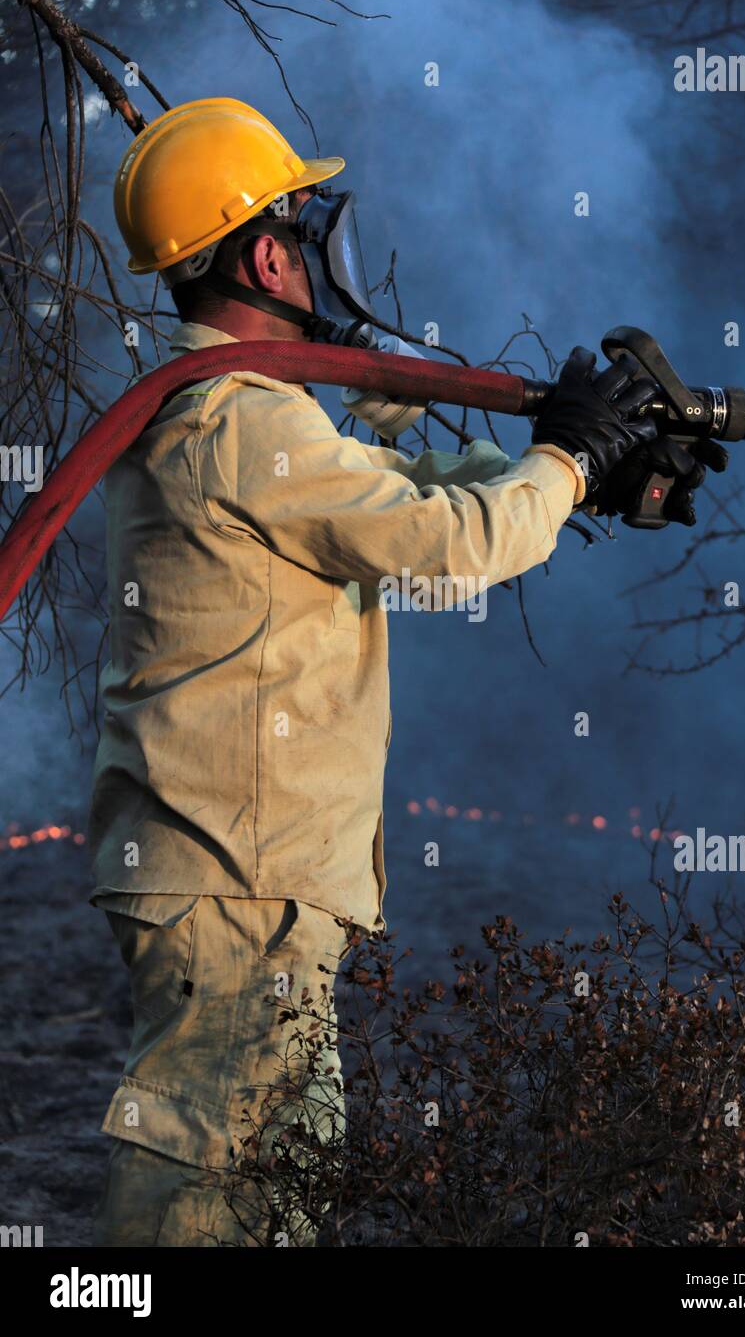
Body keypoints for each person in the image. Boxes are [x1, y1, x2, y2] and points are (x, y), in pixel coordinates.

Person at [90, 97, 713, 1246]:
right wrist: (567, 457)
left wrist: (589, 475)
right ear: (267, 252)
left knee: (280, 1185)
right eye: (304, 230)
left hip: (247, 875)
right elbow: (451, 545)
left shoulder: (239, 418)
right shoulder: (242, 426)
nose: (322, 258)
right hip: (240, 879)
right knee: (202, 1167)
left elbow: (407, 495)